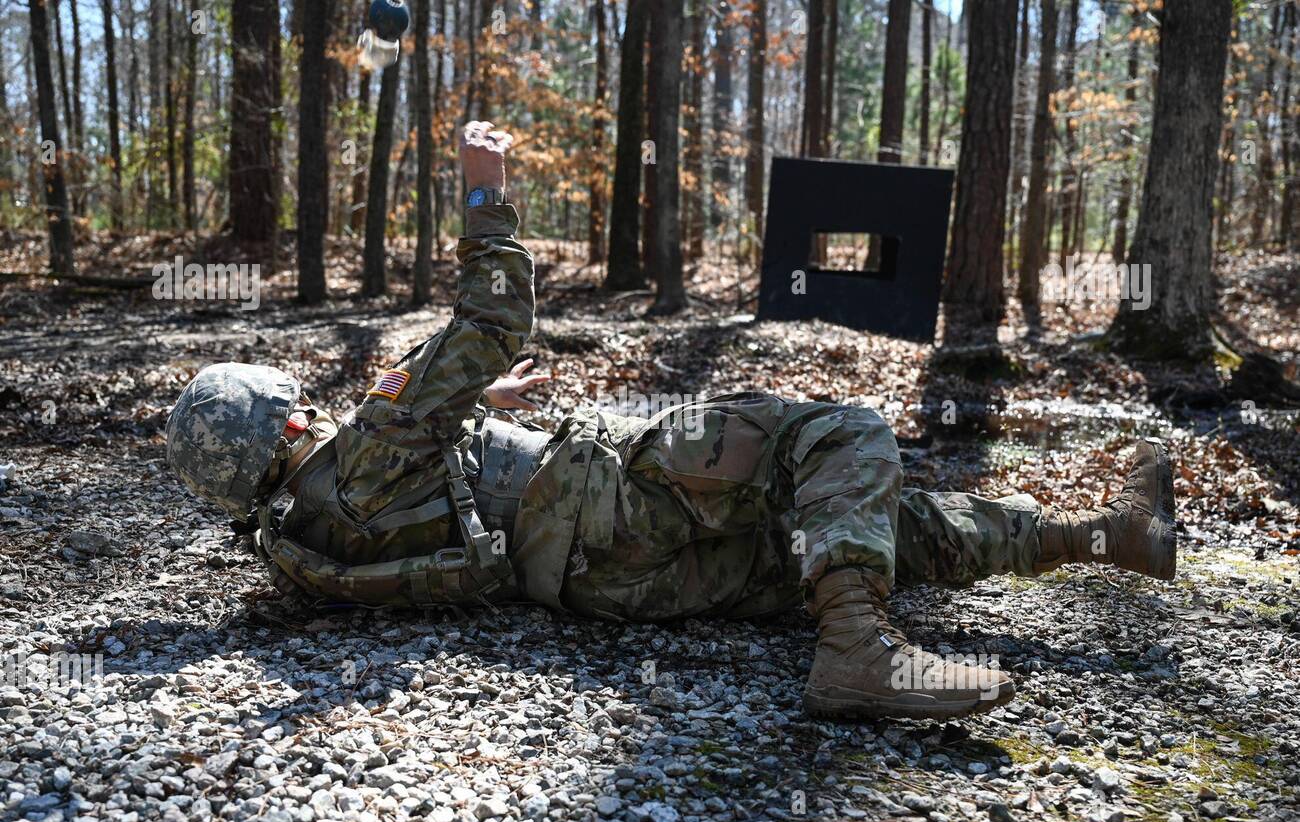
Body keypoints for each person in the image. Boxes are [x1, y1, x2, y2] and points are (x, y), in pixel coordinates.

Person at [167, 122, 1177, 722]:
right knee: (838, 432)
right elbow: (490, 317)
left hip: (616, 583)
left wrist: (474, 412)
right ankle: (859, 655)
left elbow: (433, 507)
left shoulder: (301, 543)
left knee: (851, 536)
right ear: (282, 415)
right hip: (626, 490)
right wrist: (483, 196)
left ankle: (1106, 536)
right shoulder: (373, 442)